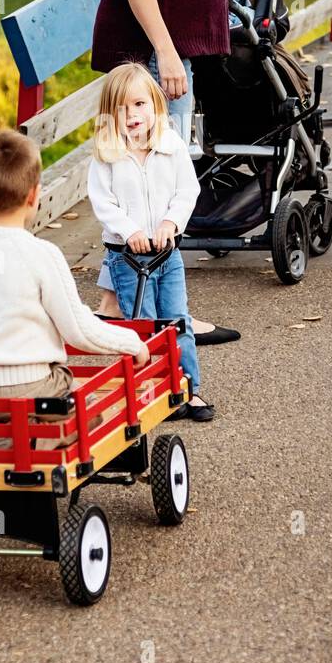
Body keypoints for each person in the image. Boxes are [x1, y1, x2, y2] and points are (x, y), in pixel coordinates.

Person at [90, 0, 239, 347]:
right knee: (154, 181)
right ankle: (172, 314)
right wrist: (169, 53)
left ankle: (111, 304)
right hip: (154, 58)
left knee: (145, 179)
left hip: (162, 53)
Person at [0, 128, 150, 450]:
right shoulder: (40, 254)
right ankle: (42, 440)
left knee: (5, 406)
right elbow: (78, 329)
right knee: (85, 400)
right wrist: (131, 342)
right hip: (30, 388)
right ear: (34, 195)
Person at [87, 62, 215, 423]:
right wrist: (130, 230)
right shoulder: (107, 154)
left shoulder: (169, 145)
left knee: (176, 321)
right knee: (141, 323)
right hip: (126, 259)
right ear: (110, 115)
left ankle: (188, 386)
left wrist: (171, 222)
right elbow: (103, 202)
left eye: (140, 104)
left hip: (166, 254)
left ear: (155, 106)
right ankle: (152, 389)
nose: (132, 115)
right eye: (122, 108)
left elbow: (187, 190)